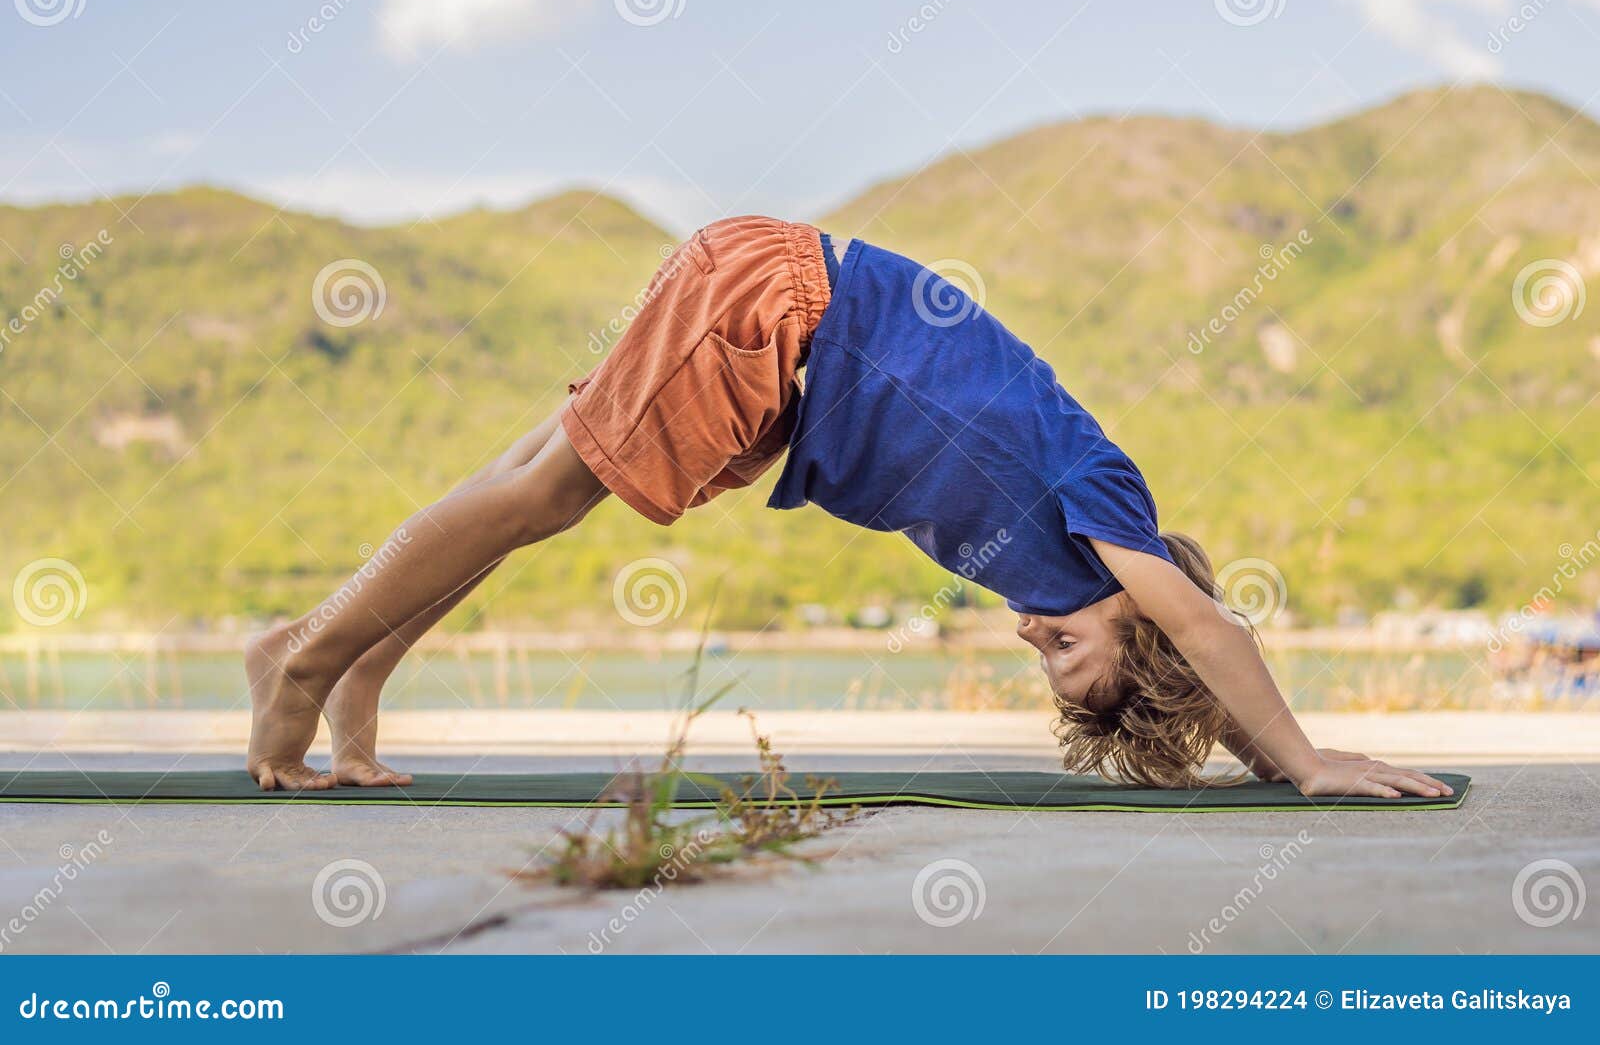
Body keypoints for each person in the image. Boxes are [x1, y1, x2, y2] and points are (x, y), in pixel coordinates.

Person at [245, 216, 1451, 802]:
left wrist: (1244, 753)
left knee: (536, 486)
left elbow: (1182, 669)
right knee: (543, 494)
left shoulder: (1066, 573)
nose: (1039, 638)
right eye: (1071, 647)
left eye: (1047, 663)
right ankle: (303, 663)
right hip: (786, 312)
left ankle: (354, 661)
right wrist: (1303, 761)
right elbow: (1203, 635)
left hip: (784, 349)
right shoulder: (1108, 514)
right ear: (1134, 614)